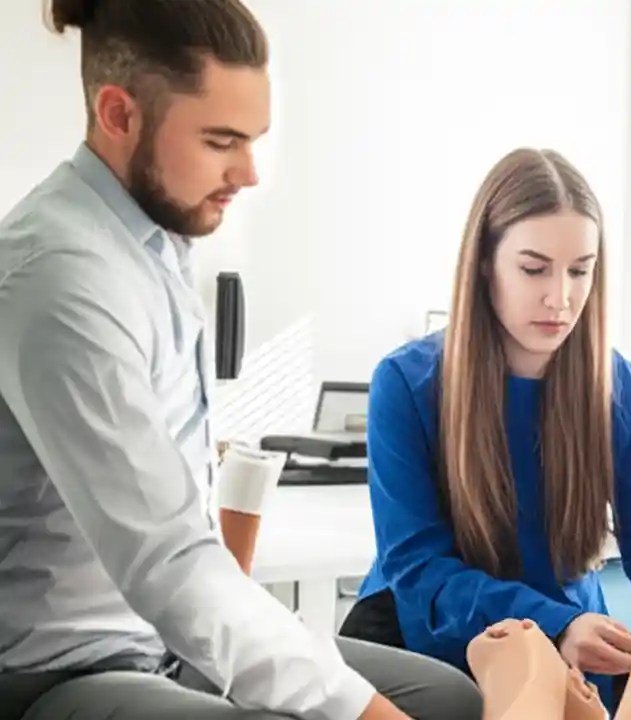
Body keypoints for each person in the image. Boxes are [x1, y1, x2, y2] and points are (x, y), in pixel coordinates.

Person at [0, 2, 482, 719]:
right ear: (119, 115)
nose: (249, 172)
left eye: (253, 140)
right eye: (221, 141)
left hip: (165, 641)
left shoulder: (153, 245)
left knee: (448, 699)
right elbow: (168, 563)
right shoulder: (60, 277)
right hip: (60, 669)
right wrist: (366, 713)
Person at [337, 147, 631, 713]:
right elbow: (417, 568)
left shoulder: (627, 392)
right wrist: (554, 625)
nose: (560, 298)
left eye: (580, 270)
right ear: (484, 263)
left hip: (573, 640)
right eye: (533, 269)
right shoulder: (405, 383)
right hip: (426, 640)